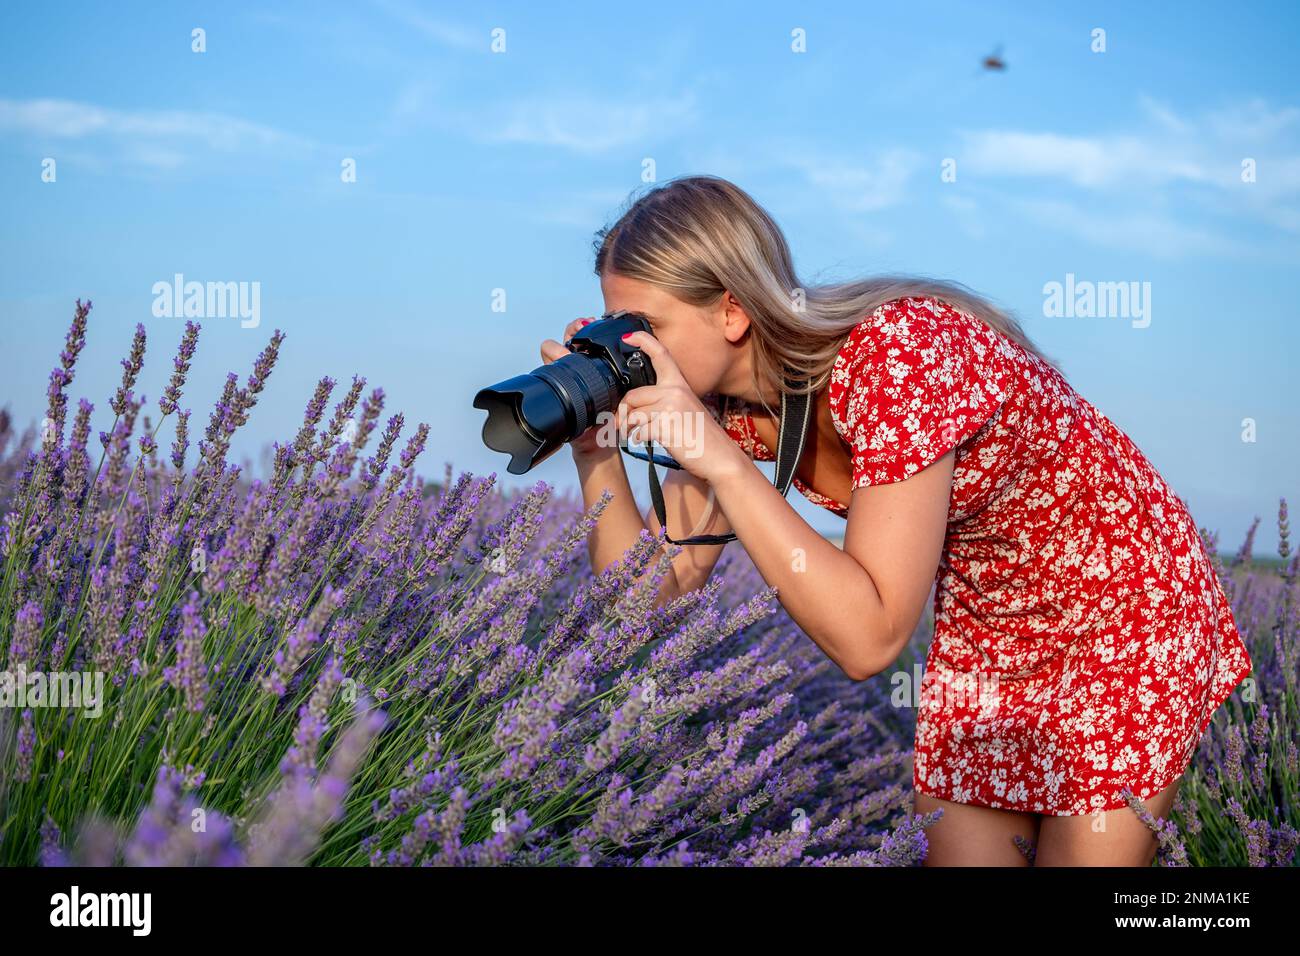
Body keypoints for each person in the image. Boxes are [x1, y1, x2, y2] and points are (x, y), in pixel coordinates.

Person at [538, 174, 1253, 866]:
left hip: (1124, 607)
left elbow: (870, 640)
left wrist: (720, 461)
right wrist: (592, 448)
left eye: (645, 329)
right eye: (618, 328)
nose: (634, 355)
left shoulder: (896, 355)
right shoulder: (722, 406)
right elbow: (644, 603)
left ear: (731, 311)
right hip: (991, 621)